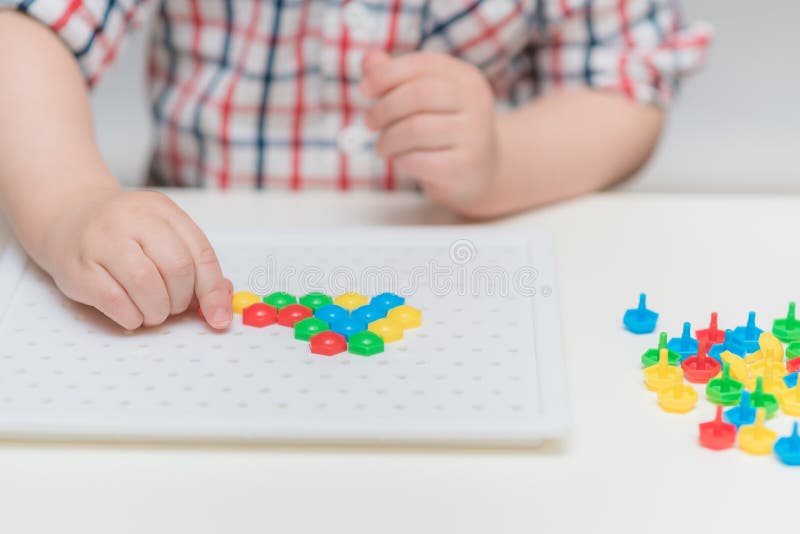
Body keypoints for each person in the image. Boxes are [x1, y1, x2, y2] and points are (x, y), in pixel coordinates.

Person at [0, 1, 711, 331]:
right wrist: (69, 200)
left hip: (466, 280)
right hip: (196, 274)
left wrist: (506, 159)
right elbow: (26, 31)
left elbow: (624, 83)